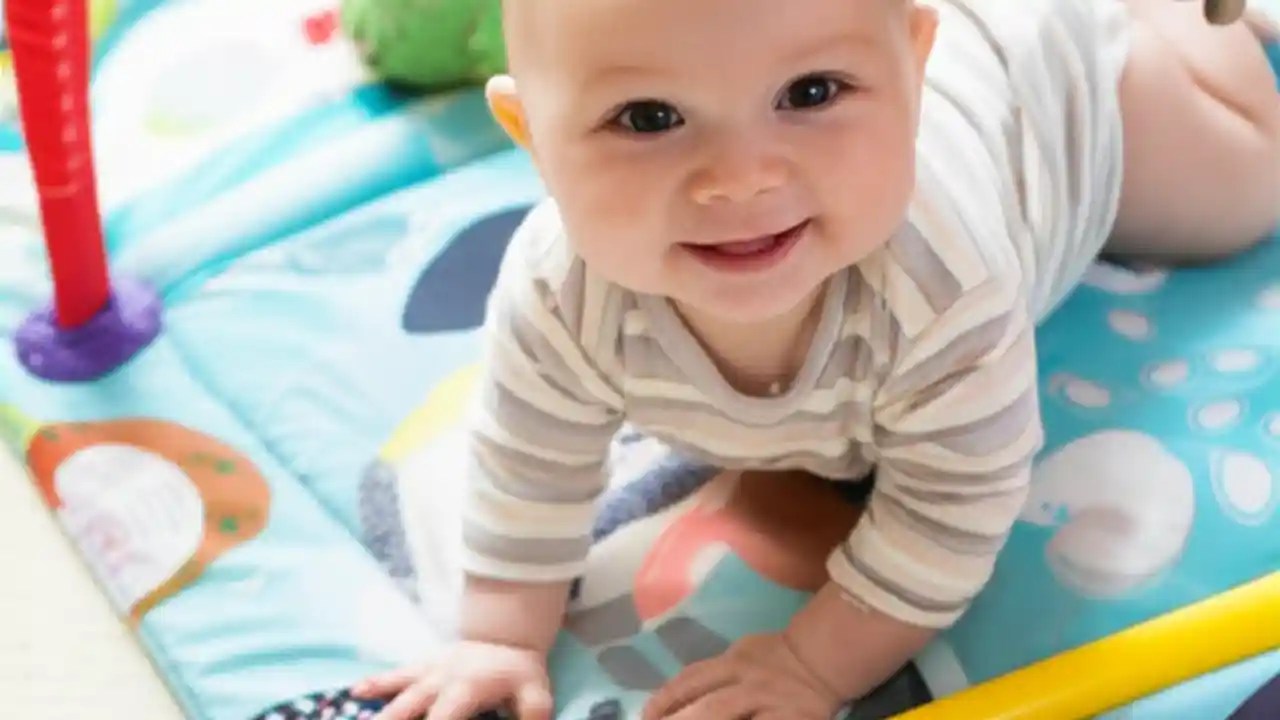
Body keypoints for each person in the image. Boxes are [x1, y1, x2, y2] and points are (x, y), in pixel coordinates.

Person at [356, 0, 1280, 717]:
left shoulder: (945, 286)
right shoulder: (559, 293)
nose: (743, 177)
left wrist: (811, 661)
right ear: (533, 140)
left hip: (1054, 81)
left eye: (809, 94)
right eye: (648, 117)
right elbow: (530, 459)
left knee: (1249, 187)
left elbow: (952, 510)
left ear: (912, 68)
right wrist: (500, 638)